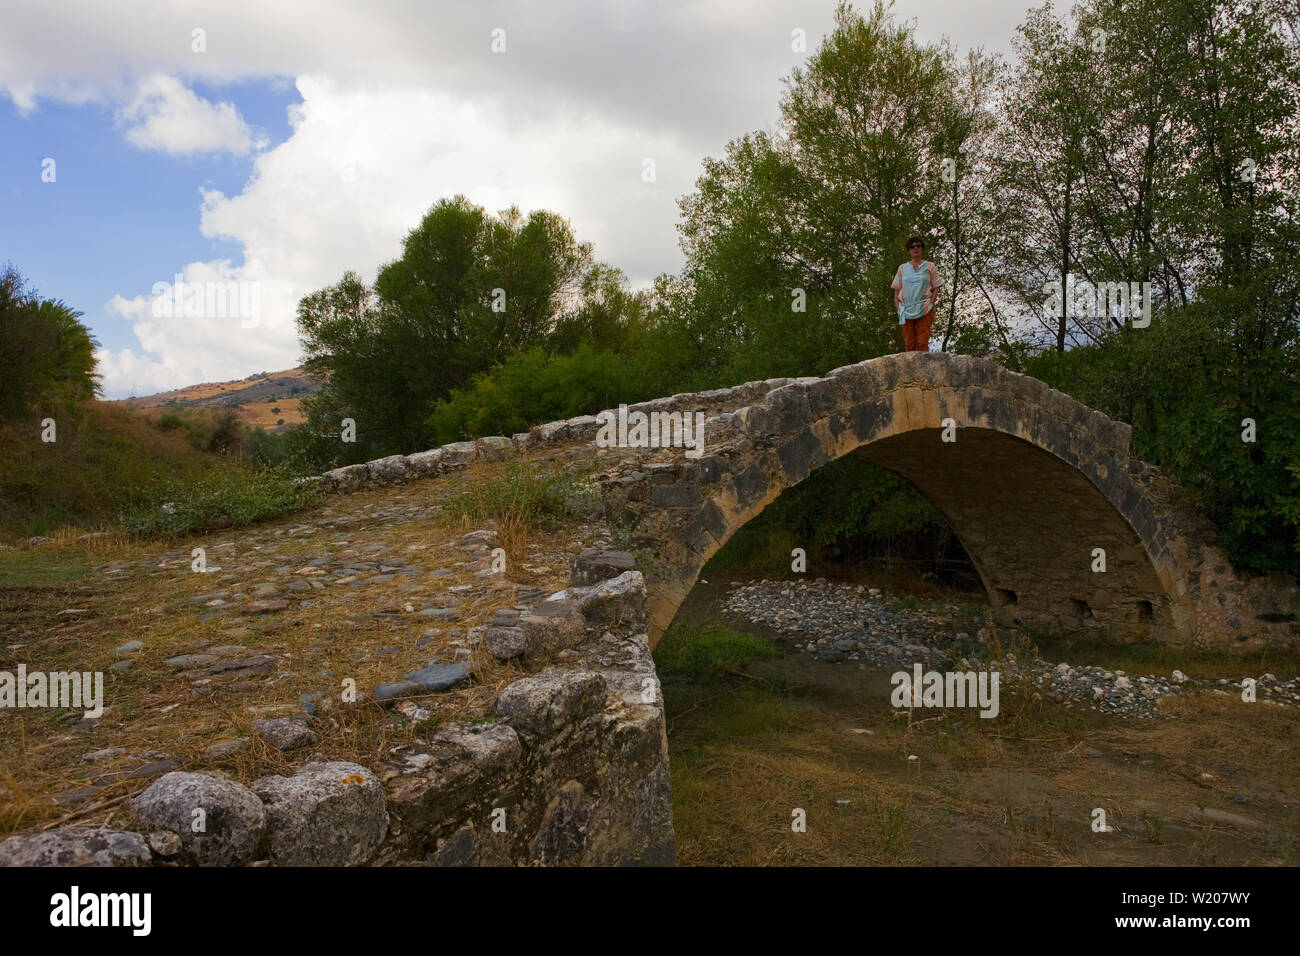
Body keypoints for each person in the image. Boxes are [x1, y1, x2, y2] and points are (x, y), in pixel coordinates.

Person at [892, 236, 942, 352]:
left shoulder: (930, 266)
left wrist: (932, 303)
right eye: (912, 246)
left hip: (924, 307)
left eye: (918, 245)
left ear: (922, 248)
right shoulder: (902, 268)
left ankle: (923, 369)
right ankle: (910, 369)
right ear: (909, 250)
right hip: (906, 308)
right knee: (909, 343)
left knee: (922, 343)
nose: (915, 248)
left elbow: (936, 286)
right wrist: (897, 306)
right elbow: (897, 288)